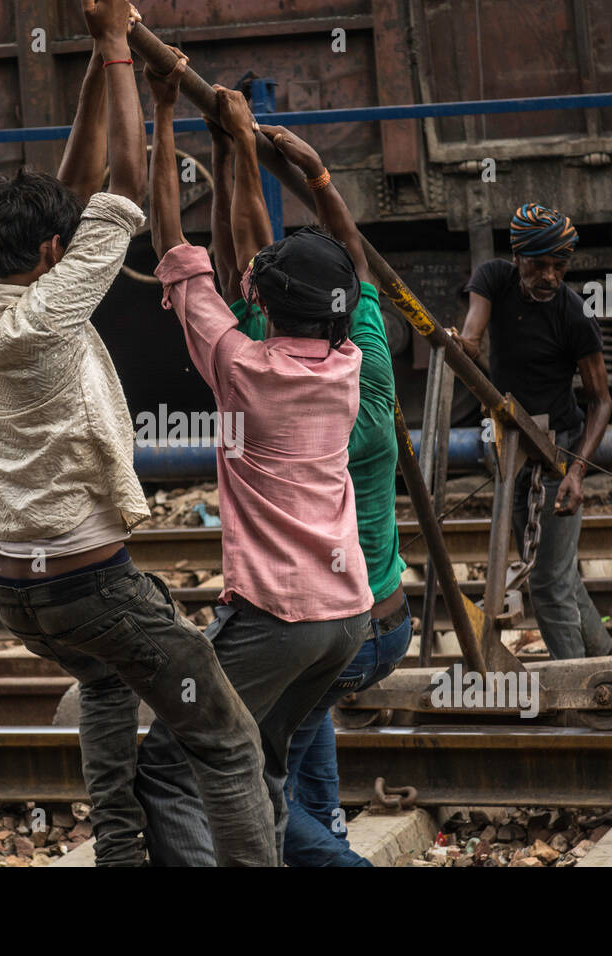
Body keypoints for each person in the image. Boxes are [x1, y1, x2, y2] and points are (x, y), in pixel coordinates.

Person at [0, 1, 275, 867]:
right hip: (87, 585)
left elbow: (74, 180)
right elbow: (122, 183)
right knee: (225, 735)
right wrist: (124, 52)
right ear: (56, 253)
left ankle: (121, 856)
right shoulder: (54, 308)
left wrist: (103, 55)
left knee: (101, 677)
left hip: (14, 586)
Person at [134, 53, 371, 865]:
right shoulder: (345, 362)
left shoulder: (242, 369)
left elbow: (172, 245)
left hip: (277, 618)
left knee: (171, 759)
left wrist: (164, 112)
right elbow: (295, 267)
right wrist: (233, 147)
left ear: (267, 308)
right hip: (347, 617)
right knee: (257, 763)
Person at [211, 120, 412, 866]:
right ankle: (327, 826)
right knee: (303, 725)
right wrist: (319, 178)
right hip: (381, 619)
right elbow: (347, 267)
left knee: (253, 784)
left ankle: (330, 856)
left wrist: (230, 157)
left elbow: (246, 262)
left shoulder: (275, 394)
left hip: (329, 626)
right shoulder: (361, 358)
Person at [455, 203, 612, 659]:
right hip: (510, 445)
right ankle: (606, 653)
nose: (549, 276)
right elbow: (473, 333)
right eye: (538, 265)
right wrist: (462, 346)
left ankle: (578, 688)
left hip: (557, 450)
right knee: (557, 569)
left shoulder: (574, 316)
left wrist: (576, 473)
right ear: (517, 258)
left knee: (547, 582)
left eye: (559, 266)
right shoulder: (492, 278)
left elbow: (601, 400)